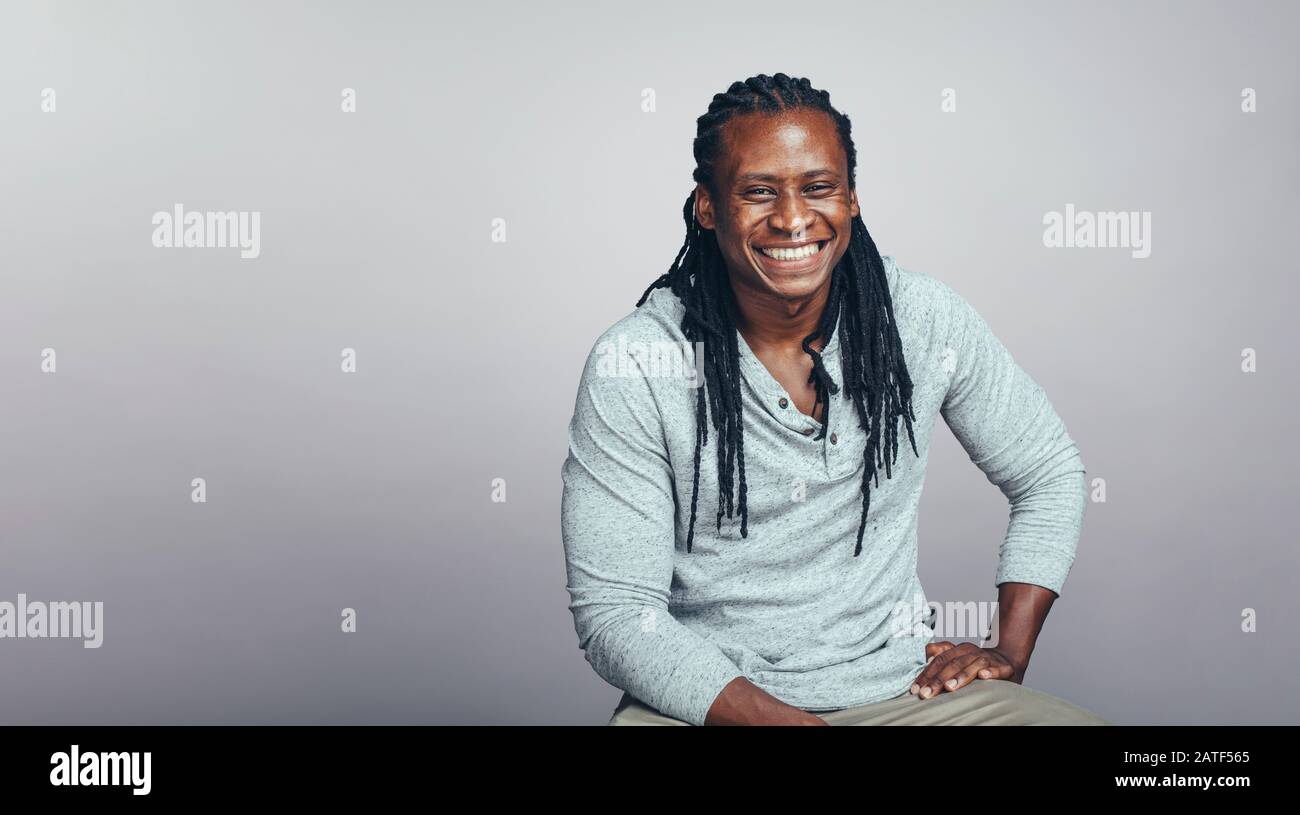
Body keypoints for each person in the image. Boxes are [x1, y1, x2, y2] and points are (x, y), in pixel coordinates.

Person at [560, 73, 1109, 726]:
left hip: (904, 695)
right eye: (759, 191)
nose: (793, 218)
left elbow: (1047, 469)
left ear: (850, 198)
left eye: (818, 187)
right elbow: (619, 614)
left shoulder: (921, 319)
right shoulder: (639, 364)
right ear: (707, 206)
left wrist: (1010, 652)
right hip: (707, 705)